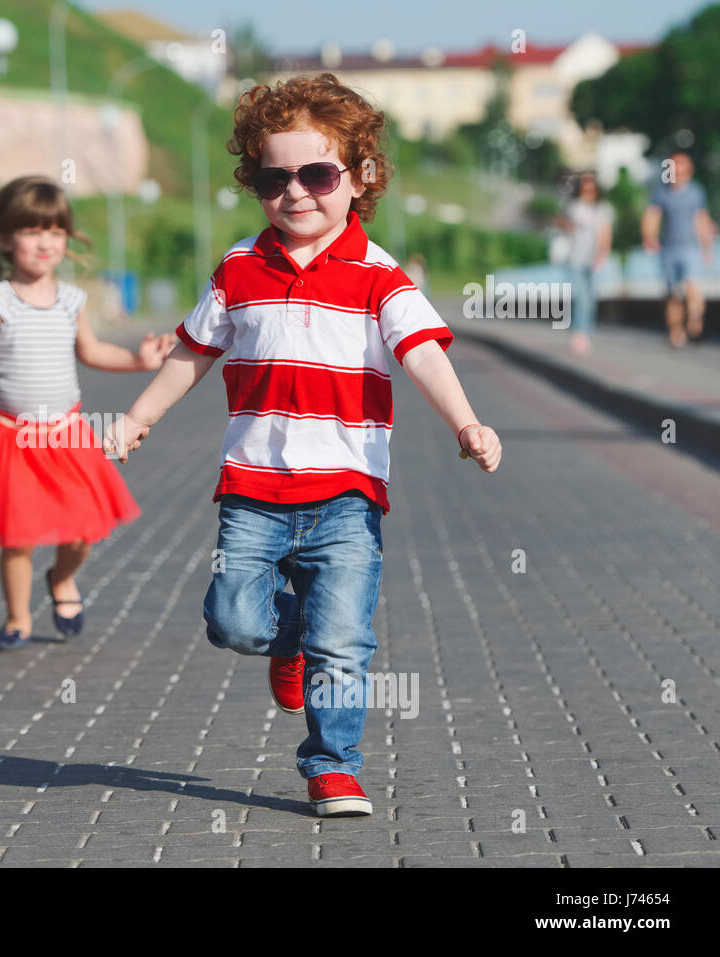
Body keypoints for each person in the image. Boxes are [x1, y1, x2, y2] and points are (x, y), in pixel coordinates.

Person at [104, 74, 502, 817]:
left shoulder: (379, 274)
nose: (296, 192)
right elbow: (192, 352)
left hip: (347, 494)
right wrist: (136, 419)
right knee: (234, 622)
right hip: (250, 491)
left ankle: (333, 766)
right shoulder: (238, 268)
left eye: (317, 174)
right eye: (272, 177)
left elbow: (422, 353)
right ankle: (285, 639)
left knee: (343, 640)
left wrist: (466, 422)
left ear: (358, 178)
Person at [0, 175, 175, 651]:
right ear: (5, 239)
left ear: (67, 238)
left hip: (67, 435)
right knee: (17, 538)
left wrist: (137, 361)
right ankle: (17, 618)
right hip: (10, 436)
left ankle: (62, 580)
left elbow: (91, 351)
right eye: (32, 231)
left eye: (56, 231)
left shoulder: (72, 300)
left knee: (82, 531)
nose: (46, 242)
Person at [641, 150, 715, 348]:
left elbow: (701, 220)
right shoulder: (661, 192)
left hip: (690, 248)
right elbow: (652, 216)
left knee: (693, 289)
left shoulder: (696, 191)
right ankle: (676, 332)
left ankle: (694, 322)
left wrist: (707, 248)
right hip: (668, 249)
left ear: (688, 168)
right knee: (673, 294)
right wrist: (650, 237)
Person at [555, 172, 613, 356]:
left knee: (589, 299)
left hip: (592, 259)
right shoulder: (573, 207)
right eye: (585, 188)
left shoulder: (602, 209)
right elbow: (559, 222)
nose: (588, 191)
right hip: (574, 258)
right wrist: (567, 226)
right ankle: (580, 335)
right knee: (581, 297)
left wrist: (602, 254)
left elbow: (605, 233)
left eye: (591, 188)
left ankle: (583, 331)